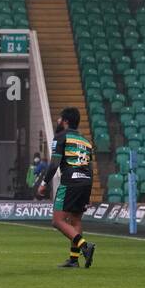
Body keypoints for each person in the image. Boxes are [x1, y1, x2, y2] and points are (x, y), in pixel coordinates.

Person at [34, 107, 95, 269]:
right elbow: (90, 168)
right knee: (75, 220)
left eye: (60, 119)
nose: (58, 121)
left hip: (71, 182)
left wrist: (44, 184)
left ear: (66, 121)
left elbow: (54, 163)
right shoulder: (86, 141)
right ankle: (74, 260)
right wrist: (88, 193)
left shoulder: (61, 137)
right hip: (86, 182)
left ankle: (85, 246)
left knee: (57, 220)